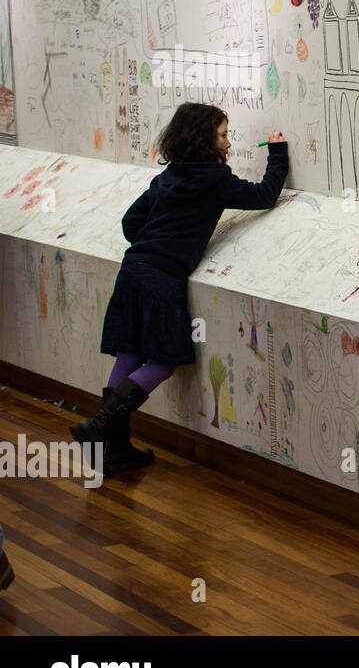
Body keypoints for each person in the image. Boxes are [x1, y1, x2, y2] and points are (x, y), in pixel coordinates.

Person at [70, 103, 289, 474]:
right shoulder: (216, 182)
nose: (229, 142)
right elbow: (265, 196)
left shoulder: (168, 177)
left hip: (133, 270)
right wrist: (278, 153)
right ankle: (99, 427)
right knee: (164, 360)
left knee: (129, 354)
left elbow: (130, 222)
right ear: (205, 140)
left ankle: (115, 448)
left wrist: (156, 242)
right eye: (223, 134)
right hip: (162, 278)